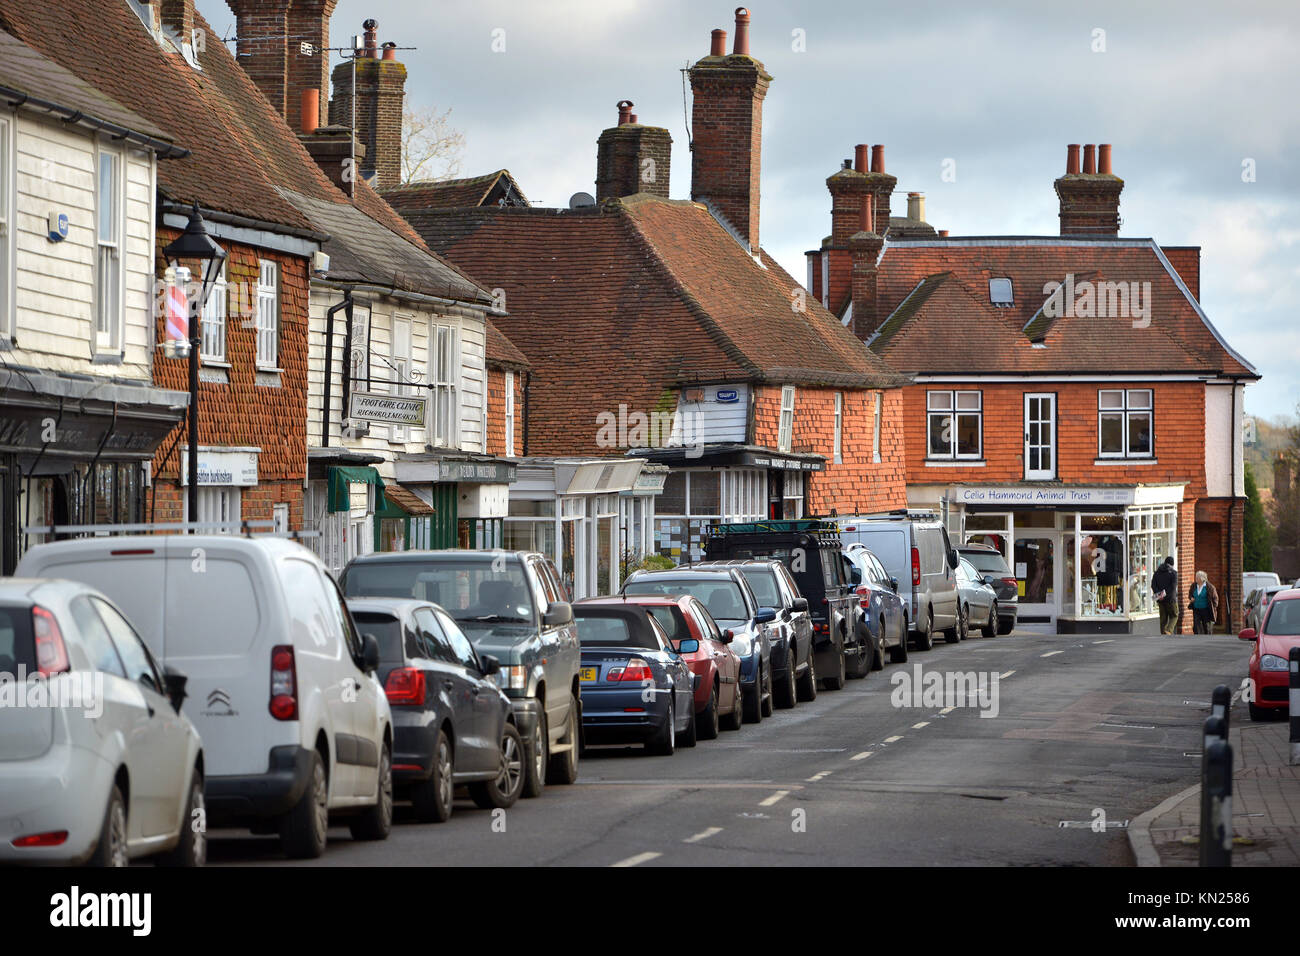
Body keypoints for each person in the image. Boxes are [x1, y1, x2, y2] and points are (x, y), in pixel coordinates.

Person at [1150, 556, 1178, 634]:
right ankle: (1169, 630)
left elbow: (1153, 585)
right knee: (1174, 615)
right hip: (1170, 599)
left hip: (1160, 600)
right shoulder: (1173, 573)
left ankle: (1163, 634)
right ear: (1172, 564)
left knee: (1163, 619)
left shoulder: (1157, 572)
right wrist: (1165, 594)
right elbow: (1173, 587)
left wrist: (1159, 595)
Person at [1189, 570, 1220, 635]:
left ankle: (1207, 638)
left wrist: (1214, 606)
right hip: (1196, 608)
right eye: (1196, 577)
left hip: (1206, 609)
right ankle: (1196, 637)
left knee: (1206, 626)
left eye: (1197, 578)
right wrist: (1191, 598)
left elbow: (1215, 598)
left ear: (1201, 578)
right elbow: (1190, 594)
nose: (1196, 579)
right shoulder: (1194, 586)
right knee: (1196, 626)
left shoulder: (1209, 587)